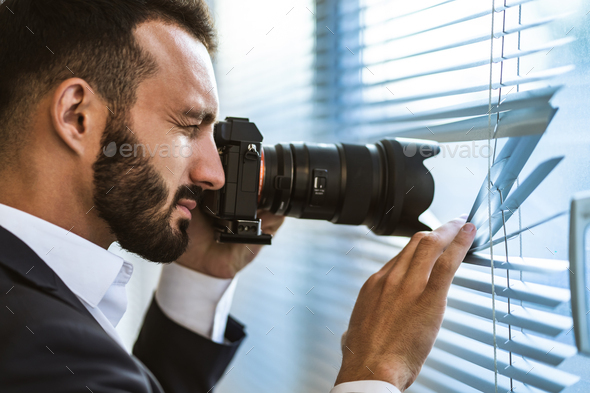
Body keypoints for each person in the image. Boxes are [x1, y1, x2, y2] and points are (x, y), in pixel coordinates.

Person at [0, 0, 476, 392]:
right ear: (78, 116)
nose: (215, 175)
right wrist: (376, 374)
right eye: (188, 127)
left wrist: (199, 278)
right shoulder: (42, 346)